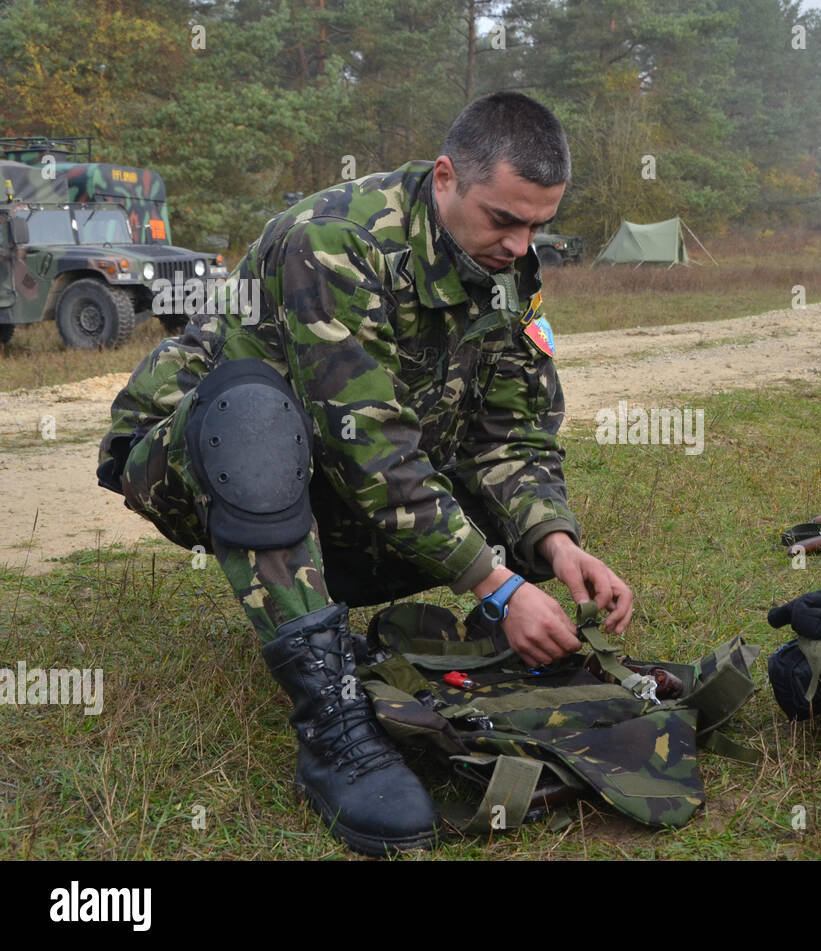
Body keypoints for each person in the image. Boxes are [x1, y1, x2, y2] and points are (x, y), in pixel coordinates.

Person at [95, 92, 633, 856]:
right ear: (445, 177)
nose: (519, 244)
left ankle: (400, 614)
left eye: (538, 225)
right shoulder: (333, 241)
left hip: (328, 466)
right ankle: (335, 725)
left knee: (463, 470)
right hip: (196, 450)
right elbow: (369, 448)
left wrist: (554, 543)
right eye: (504, 220)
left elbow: (511, 430)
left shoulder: (506, 268)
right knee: (257, 417)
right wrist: (495, 583)